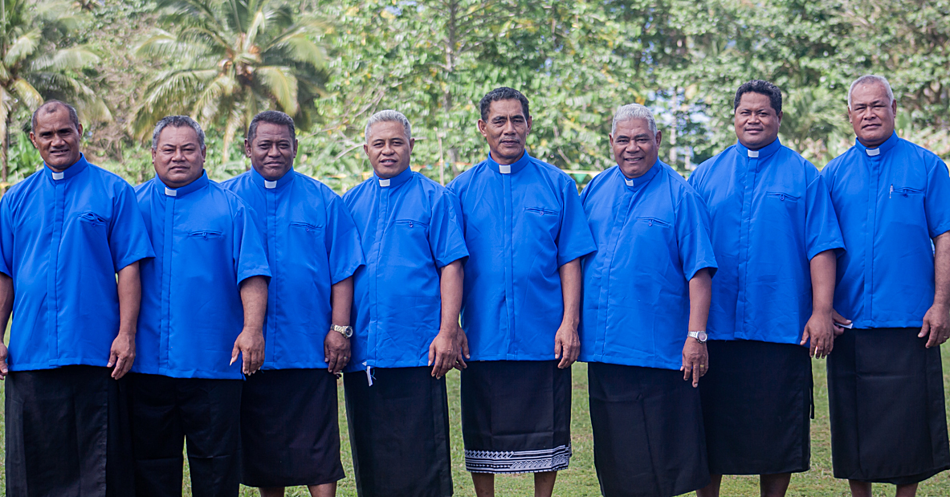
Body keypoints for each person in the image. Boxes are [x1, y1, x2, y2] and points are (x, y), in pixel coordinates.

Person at [688, 80, 845, 497]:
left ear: (778, 117)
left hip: (780, 326)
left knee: (778, 431)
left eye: (763, 112)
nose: (753, 119)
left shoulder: (804, 176)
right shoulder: (704, 175)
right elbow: (688, 250)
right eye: (746, 112)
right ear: (734, 117)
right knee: (710, 429)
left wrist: (821, 311)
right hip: (716, 327)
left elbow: (822, 246)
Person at [447, 87, 596, 497]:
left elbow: (570, 259)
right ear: (483, 128)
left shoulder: (558, 185)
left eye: (517, 120)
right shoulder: (459, 190)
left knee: (547, 431)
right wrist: (453, 326)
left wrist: (570, 323)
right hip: (483, 335)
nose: (509, 129)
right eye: (499, 121)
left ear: (529, 125)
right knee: (483, 431)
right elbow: (451, 265)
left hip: (543, 333)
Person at [0, 100, 153, 497]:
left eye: (64, 131)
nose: (57, 141)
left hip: (96, 352)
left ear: (80, 131)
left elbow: (130, 267)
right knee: (33, 466)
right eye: (47, 134)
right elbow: (5, 275)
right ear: (33, 139)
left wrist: (126, 335)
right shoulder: (15, 199)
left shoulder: (114, 191)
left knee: (99, 470)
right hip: (30, 353)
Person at [222, 110, 364, 497]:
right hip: (249, 348)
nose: (274, 152)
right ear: (247, 147)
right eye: (264, 145)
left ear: (296, 147)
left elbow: (343, 269)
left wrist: (339, 330)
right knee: (266, 453)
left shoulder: (323, 200)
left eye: (283, 145)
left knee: (318, 449)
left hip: (309, 345)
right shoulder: (226, 199)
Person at [579, 103, 717, 497]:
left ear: (657, 140)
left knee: (658, 457)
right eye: (623, 139)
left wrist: (696, 336)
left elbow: (699, 271)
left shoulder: (680, 195)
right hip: (605, 348)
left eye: (641, 139)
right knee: (614, 453)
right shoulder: (596, 189)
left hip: (657, 350)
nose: (632, 147)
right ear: (611, 142)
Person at [822, 74, 950, 497]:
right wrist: (821, 306)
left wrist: (942, 304)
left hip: (910, 319)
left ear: (894, 109)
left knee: (908, 426)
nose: (870, 114)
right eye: (860, 107)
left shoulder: (928, 166)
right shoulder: (831, 175)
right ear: (849, 115)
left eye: (878, 105)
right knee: (853, 424)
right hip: (850, 320)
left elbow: (945, 236)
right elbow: (818, 246)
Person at [130, 115, 271, 497]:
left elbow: (253, 274)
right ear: (153, 154)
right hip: (145, 365)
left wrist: (252, 330)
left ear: (203, 153)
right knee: (150, 467)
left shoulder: (231, 208)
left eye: (188, 149)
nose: (178, 157)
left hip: (213, 363)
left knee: (216, 469)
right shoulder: (132, 205)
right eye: (169, 149)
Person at [341, 110, 468, 497]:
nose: (388, 150)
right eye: (379, 143)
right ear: (366, 149)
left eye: (396, 142)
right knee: (371, 455)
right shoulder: (349, 203)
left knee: (421, 454)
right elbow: (341, 272)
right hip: (364, 351)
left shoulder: (435, 198)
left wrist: (448, 331)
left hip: (418, 349)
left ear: (411, 146)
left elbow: (451, 266)